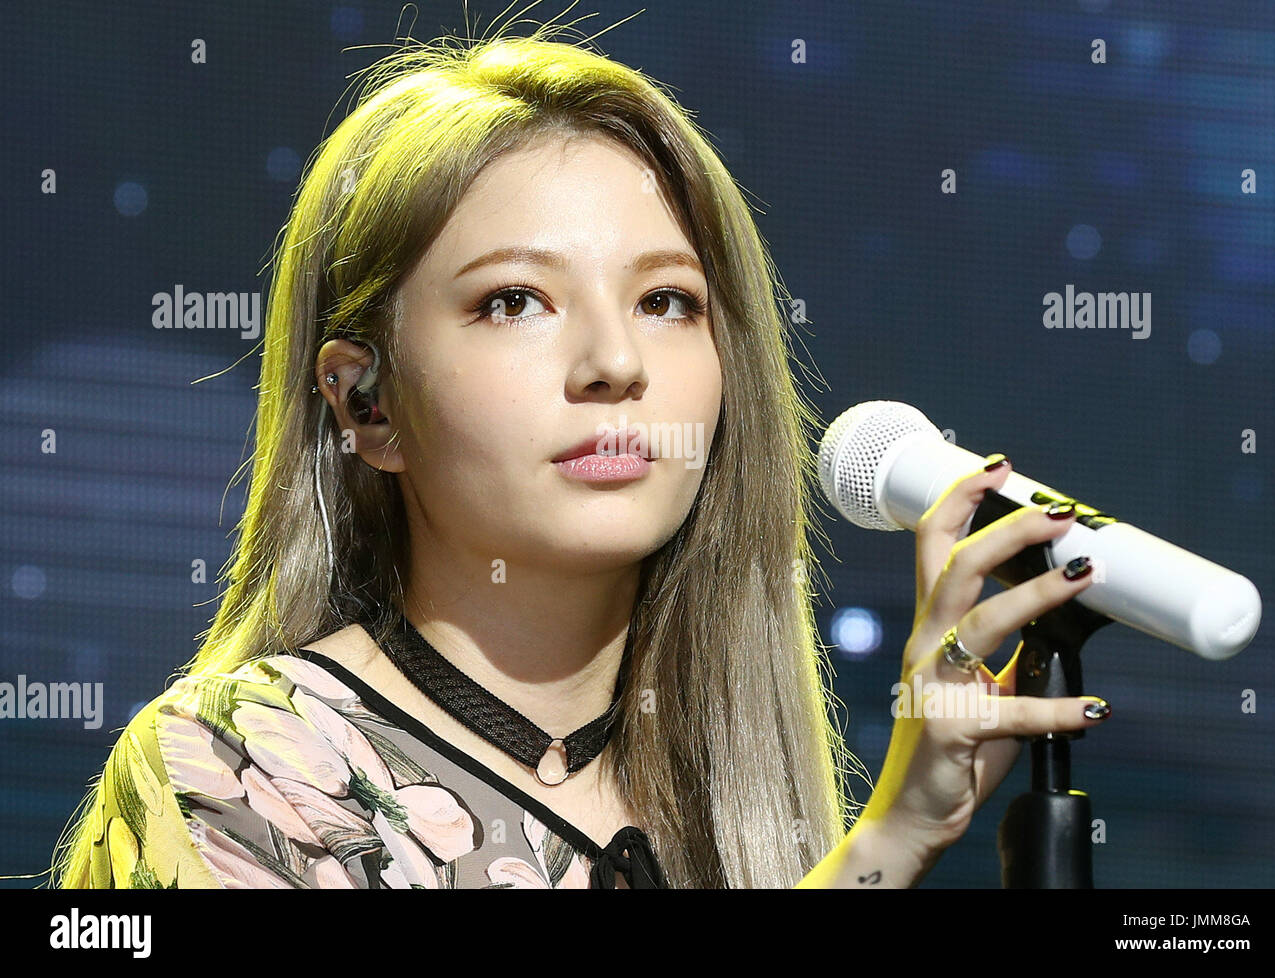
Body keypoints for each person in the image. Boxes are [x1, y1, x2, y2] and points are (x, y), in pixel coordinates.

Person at [48, 24, 1109, 890]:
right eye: (513, 301)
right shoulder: (237, 766)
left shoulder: (741, 804)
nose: (613, 362)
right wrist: (877, 852)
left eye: (665, 302)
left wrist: (899, 826)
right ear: (365, 404)